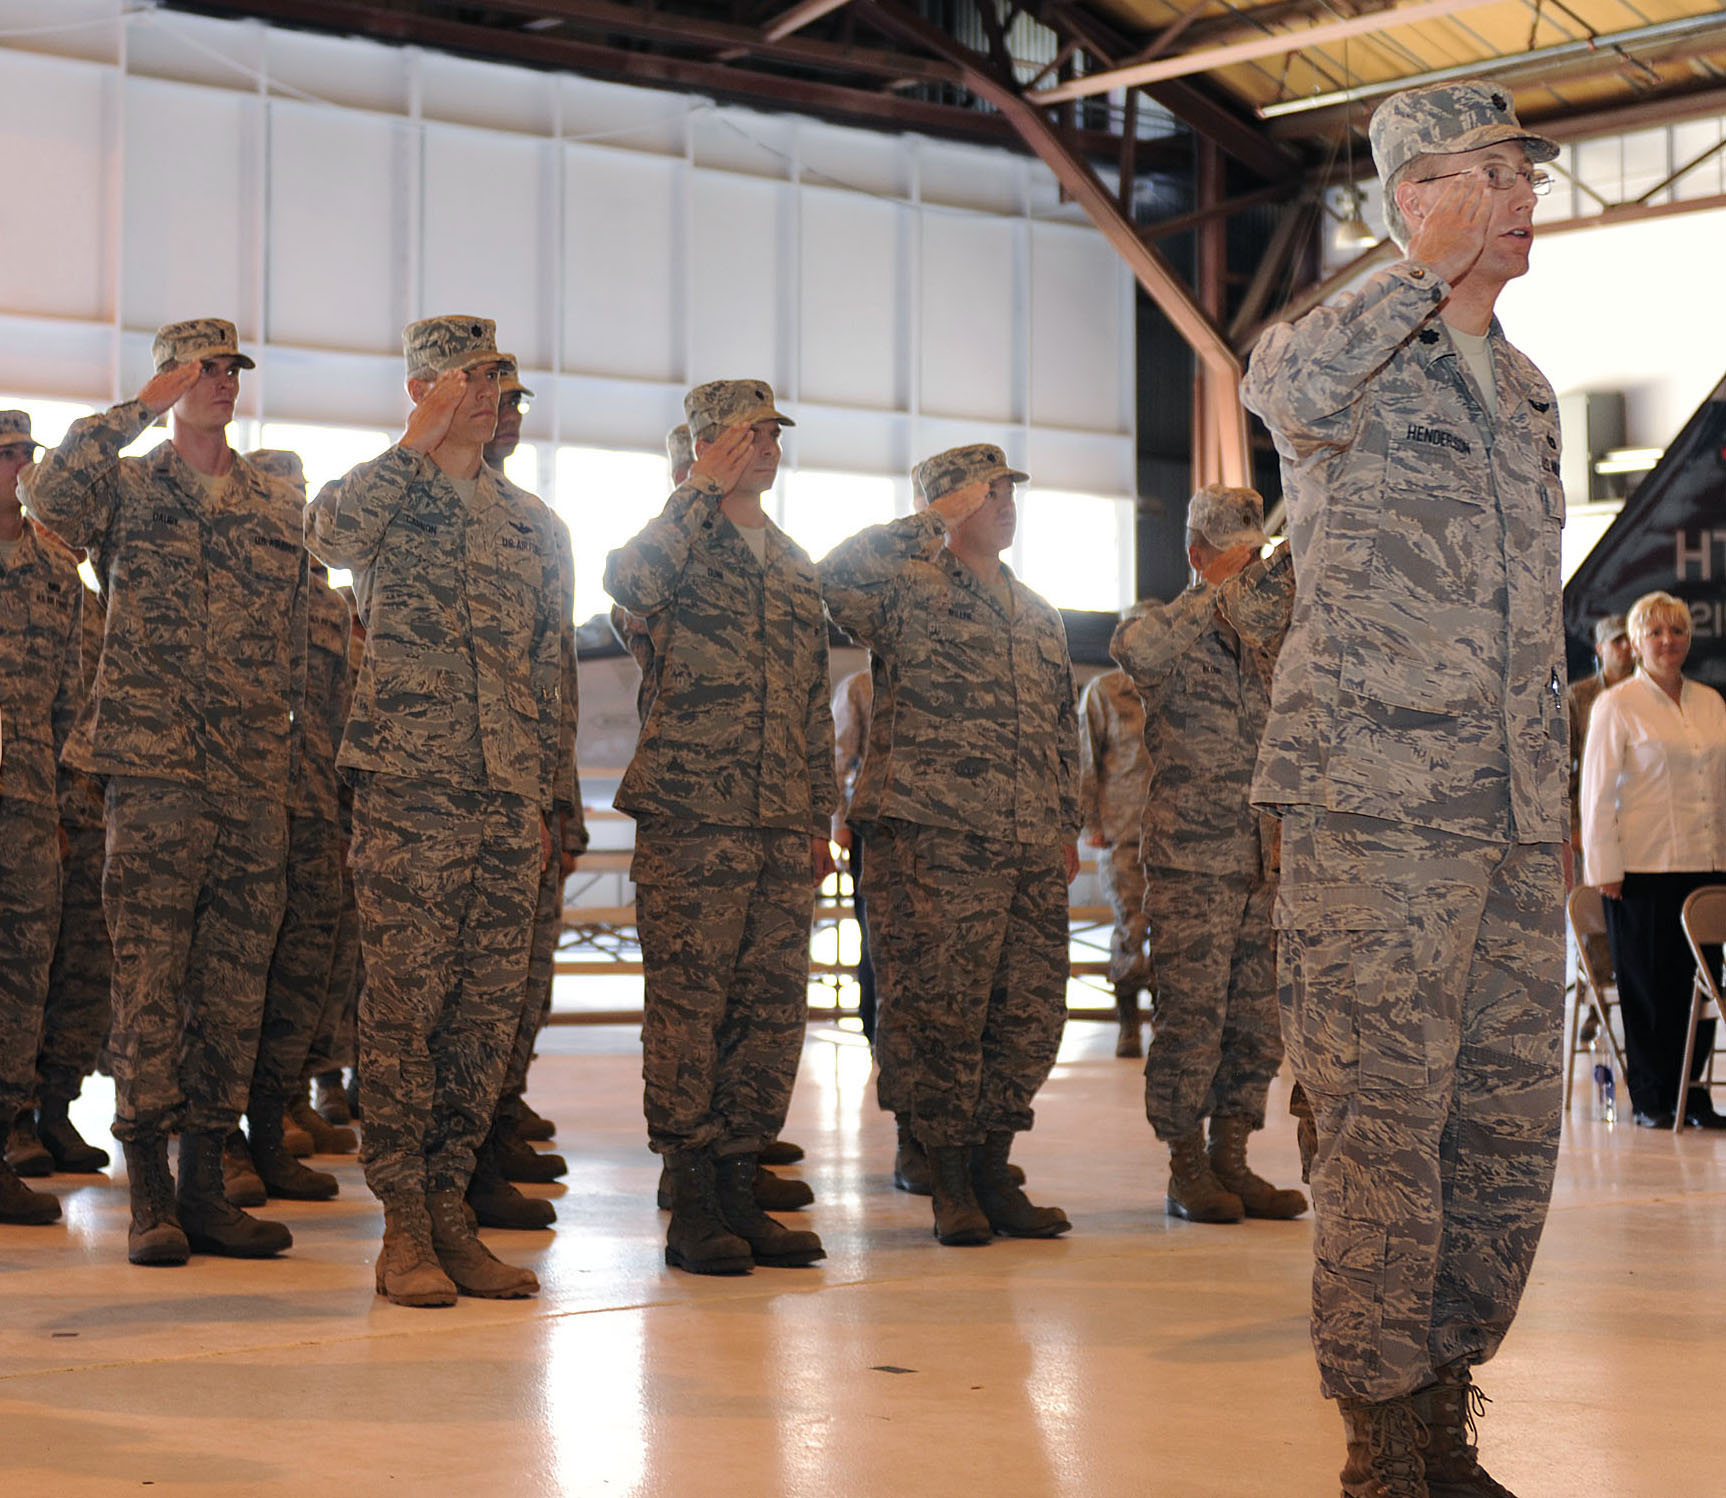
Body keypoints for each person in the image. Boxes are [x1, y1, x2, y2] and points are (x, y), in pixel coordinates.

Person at [1241, 80, 1568, 1497]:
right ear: (1411, 195)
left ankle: (1442, 1405)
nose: (1523, 195)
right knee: (1378, 1125)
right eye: (1490, 171)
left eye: (1526, 173)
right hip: (1371, 806)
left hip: (1504, 820)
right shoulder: (1350, 358)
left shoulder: (1533, 394)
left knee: (1500, 1133)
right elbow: (1281, 385)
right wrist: (1410, 266)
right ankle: (1380, 1440)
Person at [24, 320, 308, 1269]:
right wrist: (138, 411)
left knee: (232, 985)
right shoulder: (127, 483)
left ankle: (204, 1185)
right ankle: (147, 1193)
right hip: (153, 774)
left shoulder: (278, 492)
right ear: (170, 379)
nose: (221, 383)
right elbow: (49, 498)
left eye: (230, 369)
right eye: (201, 370)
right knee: (151, 979)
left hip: (253, 774)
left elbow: (301, 628)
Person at [306, 315, 568, 1307]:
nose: (492, 391)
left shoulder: (535, 526)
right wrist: (418, 439)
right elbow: (325, 538)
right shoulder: (383, 499)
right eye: (471, 376)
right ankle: (404, 1228)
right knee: (406, 1010)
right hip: (411, 788)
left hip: (504, 797)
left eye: (500, 375)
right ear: (425, 389)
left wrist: (544, 797)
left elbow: (543, 672)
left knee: (481, 1015)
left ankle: (453, 1212)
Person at [821, 444, 1080, 1247]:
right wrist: (928, 521)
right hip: (933, 842)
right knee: (940, 1011)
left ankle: (995, 1164)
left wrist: (1064, 823)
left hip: (1028, 842)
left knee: (1028, 1010)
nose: (1005, 502)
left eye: (1009, 490)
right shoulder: (905, 591)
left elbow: (1060, 729)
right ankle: (948, 1174)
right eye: (987, 492)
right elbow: (831, 581)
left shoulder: (1038, 613)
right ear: (948, 504)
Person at [605, 379, 832, 1277]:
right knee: (691, 1011)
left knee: (769, 1014)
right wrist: (696, 488)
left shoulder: (792, 560)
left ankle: (740, 1184)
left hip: (779, 824)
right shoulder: (677, 544)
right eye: (748, 432)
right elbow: (626, 581)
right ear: (705, 444)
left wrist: (818, 818)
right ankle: (691, 1197)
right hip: (693, 817)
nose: (766, 444)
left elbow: (814, 700)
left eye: (774, 430)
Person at [1111, 487, 1305, 1226]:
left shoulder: (1272, 640)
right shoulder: (1164, 632)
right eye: (1238, 556)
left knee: (1257, 1023)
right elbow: (1138, 651)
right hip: (1193, 863)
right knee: (1193, 1018)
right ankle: (1185, 1163)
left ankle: (1234, 1157)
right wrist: (1216, 595)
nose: (1254, 569)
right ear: (1198, 556)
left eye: (1259, 555)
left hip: (1266, 861)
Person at [467, 352, 589, 1229]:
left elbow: (560, 681)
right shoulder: (415, 507)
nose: (511, 412)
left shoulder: (540, 526)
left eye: (519, 401)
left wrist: (561, 803)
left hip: (527, 793)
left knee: (520, 976)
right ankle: (458, 1154)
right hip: (442, 792)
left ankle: (497, 1116)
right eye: (496, 398)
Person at [236, 448, 356, 1200]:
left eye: (301, 495)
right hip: (248, 806)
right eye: (282, 493)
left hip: (316, 815)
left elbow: (346, 716)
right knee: (234, 979)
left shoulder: (330, 607)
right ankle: (215, 1134)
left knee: (300, 978)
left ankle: (275, 1111)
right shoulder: (239, 592)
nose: (294, 506)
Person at [1580, 590, 1726, 1130]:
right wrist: (1604, 869)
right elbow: (1596, 793)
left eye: (1678, 631)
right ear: (1637, 643)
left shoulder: (1712, 702)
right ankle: (1649, 1098)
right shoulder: (1616, 705)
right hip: (1640, 871)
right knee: (1649, 987)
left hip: (1707, 863)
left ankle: (1692, 1096)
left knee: (1703, 985)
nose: (1668, 641)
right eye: (1656, 632)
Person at [0, 410, 83, 1222]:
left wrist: (63, 807)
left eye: (26, 453)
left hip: (27, 806)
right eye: (4, 452)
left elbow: (71, 702)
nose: (17, 465)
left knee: (23, 983)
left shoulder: (58, 572)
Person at [34, 539, 114, 1176]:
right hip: (26, 806)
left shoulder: (95, 603)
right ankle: (10, 1121)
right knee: (20, 972)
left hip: (89, 813)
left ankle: (55, 1109)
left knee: (82, 972)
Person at [1077, 653, 1154, 1058]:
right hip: (1122, 832)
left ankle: (1167, 1023)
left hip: (1180, 834)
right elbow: (1086, 759)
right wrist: (1090, 824)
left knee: (1176, 935)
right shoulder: (1104, 691)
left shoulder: (1177, 687)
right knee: (1130, 928)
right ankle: (1128, 1022)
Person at [1566, 614, 1633, 878]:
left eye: (1630, 639)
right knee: (1594, 905)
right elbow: (1564, 766)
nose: (1627, 646)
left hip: (1637, 817)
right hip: (1592, 817)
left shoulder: (1649, 693)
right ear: (1600, 648)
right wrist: (1572, 826)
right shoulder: (1578, 696)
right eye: (1618, 640)